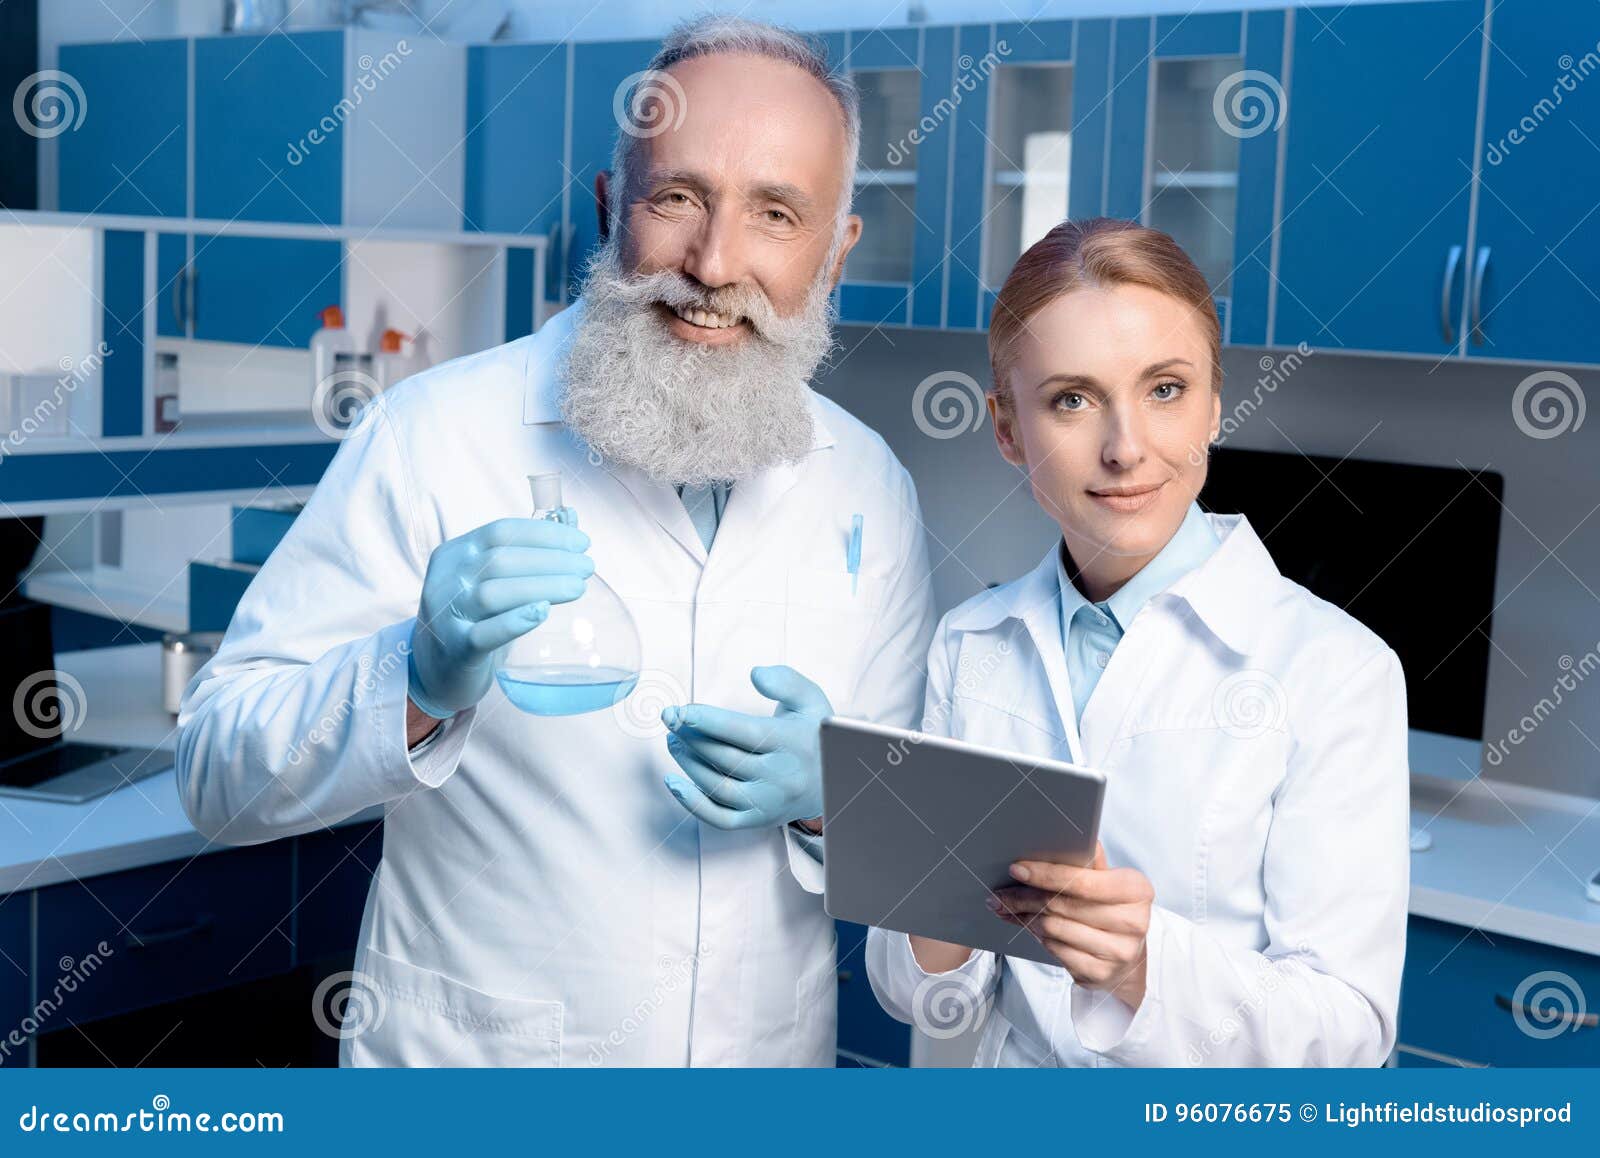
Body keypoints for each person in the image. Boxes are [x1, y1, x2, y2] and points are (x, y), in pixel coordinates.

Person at [177, 16, 936, 1067]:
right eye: (678, 198)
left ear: (835, 249)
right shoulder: (430, 435)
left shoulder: (867, 486)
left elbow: (910, 847)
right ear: (610, 207)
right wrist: (414, 678)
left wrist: (830, 802)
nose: (715, 263)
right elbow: (216, 774)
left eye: (775, 213)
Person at [866, 219, 1409, 1067]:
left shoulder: (1338, 672)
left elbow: (1349, 1033)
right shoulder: (971, 643)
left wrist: (1141, 966)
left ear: (1215, 403)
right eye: (1071, 400)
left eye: (1165, 389)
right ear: (1007, 429)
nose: (1126, 449)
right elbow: (919, 996)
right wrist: (939, 908)